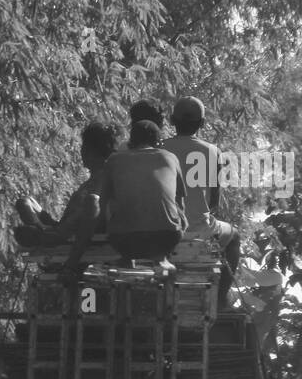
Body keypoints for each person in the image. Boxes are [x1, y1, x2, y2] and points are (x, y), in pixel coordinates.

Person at [161, 96, 242, 302]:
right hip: (199, 229)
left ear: (171, 120)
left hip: (164, 227)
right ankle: (221, 300)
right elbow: (213, 202)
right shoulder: (213, 151)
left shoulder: (159, 147)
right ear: (202, 124)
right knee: (234, 237)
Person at [85, 119, 187, 268]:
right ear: (159, 143)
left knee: (113, 202)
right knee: (178, 210)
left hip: (124, 241)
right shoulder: (170, 157)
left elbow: (104, 202)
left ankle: (126, 258)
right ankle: (161, 259)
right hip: (166, 239)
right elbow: (181, 203)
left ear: (130, 143)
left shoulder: (114, 160)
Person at [14, 122, 116, 269]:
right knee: (24, 203)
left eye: (84, 148)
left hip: (76, 232)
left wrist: (62, 231)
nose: (81, 152)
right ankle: (42, 231)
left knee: (90, 202)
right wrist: (48, 225)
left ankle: (47, 237)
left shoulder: (105, 177)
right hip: (62, 228)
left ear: (91, 151)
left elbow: (92, 211)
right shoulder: (91, 180)